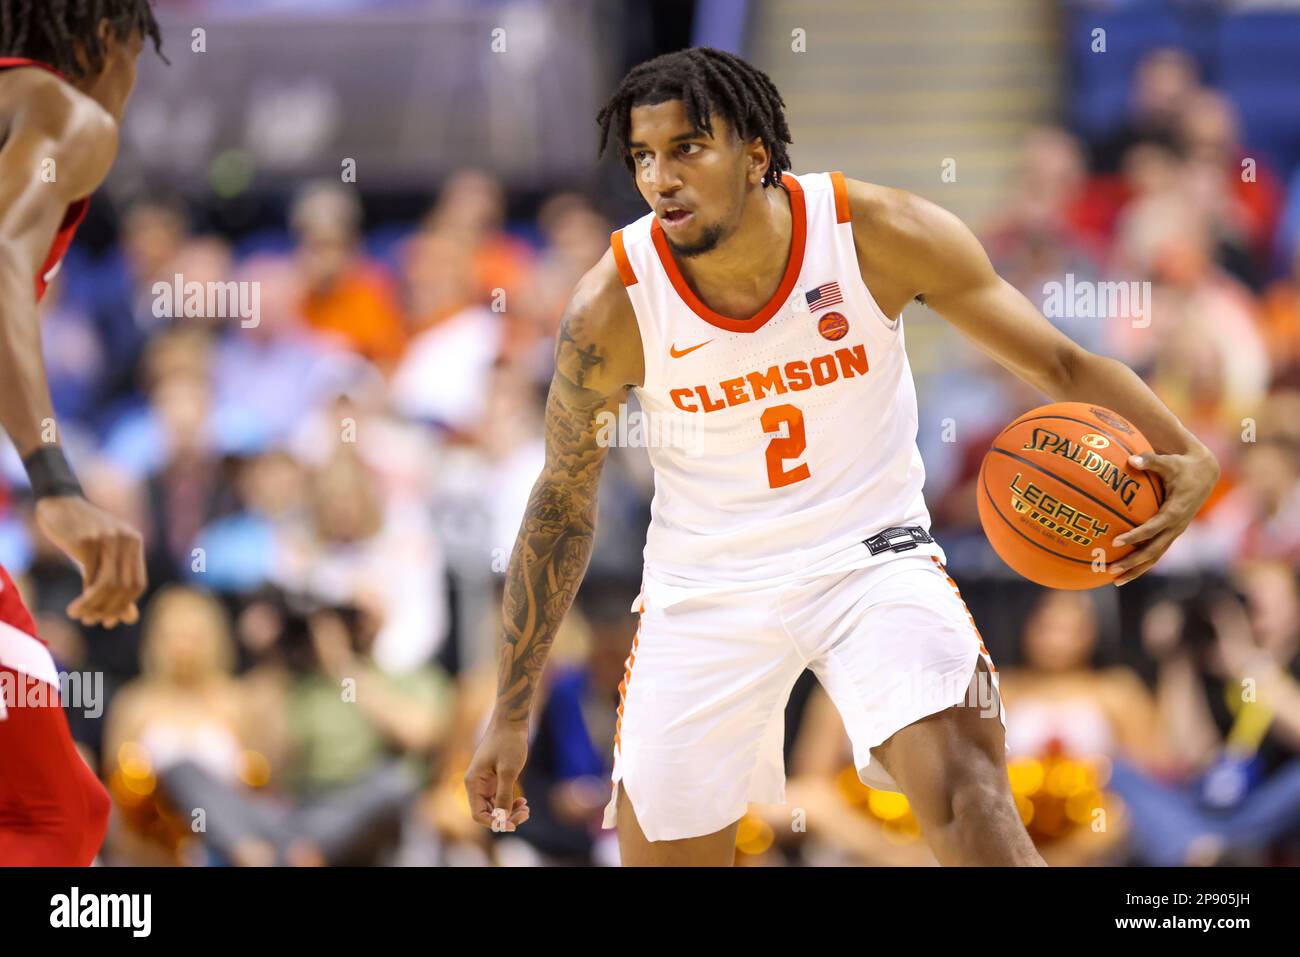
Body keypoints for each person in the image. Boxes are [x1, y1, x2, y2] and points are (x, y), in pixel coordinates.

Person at [465, 47, 1221, 866]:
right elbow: (562, 500)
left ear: (756, 154)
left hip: (873, 557)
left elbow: (1062, 365)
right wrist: (510, 707)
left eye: (686, 147)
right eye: (643, 157)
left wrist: (1187, 452)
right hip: (703, 585)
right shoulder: (609, 306)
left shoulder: (876, 233)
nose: (661, 177)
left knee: (969, 790)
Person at [0, 1, 160, 865]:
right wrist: (56, 486)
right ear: (106, 40)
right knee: (49, 815)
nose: (133, 90)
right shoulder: (70, 113)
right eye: (139, 58)